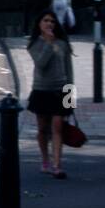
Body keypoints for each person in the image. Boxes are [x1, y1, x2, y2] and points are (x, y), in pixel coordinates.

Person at [27, 10, 75, 179]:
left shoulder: (62, 43)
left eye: (52, 22)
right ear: (39, 24)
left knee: (57, 128)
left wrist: (70, 98)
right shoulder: (34, 44)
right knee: (42, 129)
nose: (49, 24)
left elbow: (69, 70)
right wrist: (48, 43)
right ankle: (45, 160)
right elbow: (41, 64)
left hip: (60, 90)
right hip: (41, 90)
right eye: (46, 20)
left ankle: (57, 165)